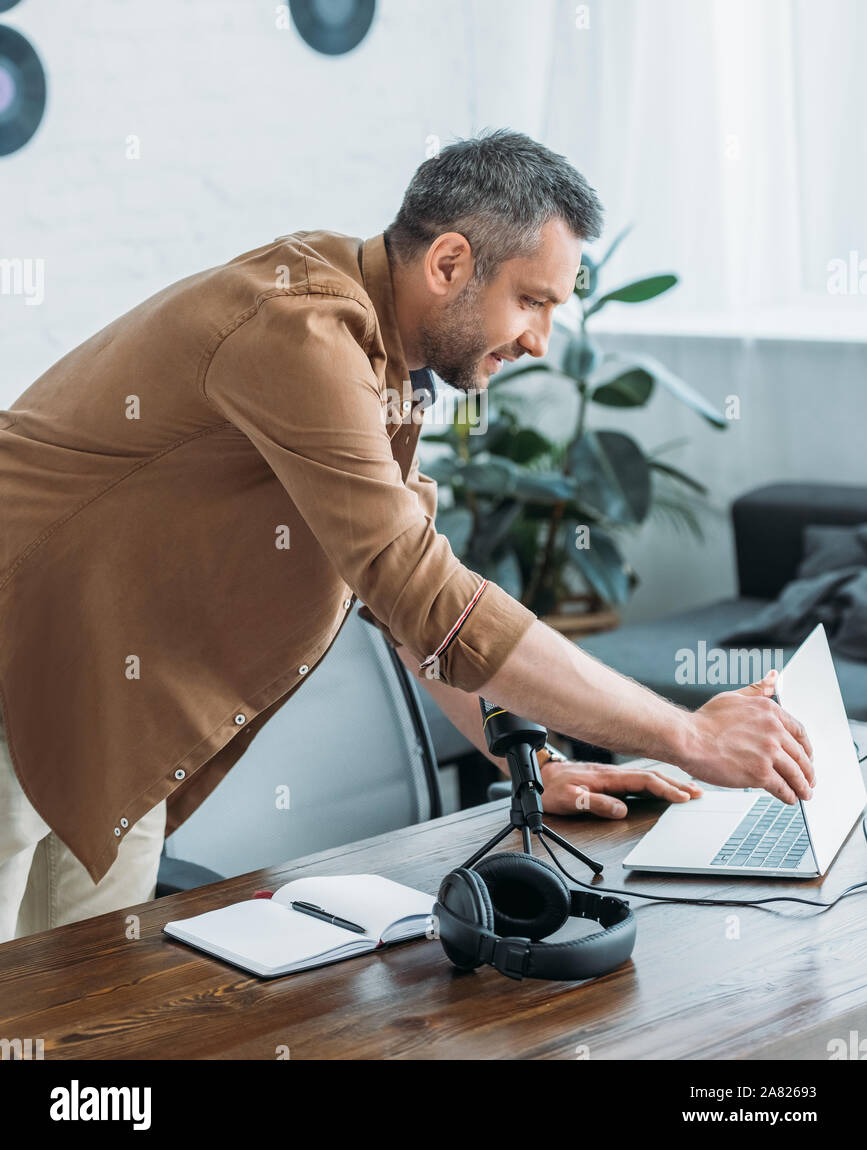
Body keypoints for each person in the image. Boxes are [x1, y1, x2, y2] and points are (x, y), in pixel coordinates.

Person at [0, 129, 813, 942]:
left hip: (108, 709)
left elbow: (409, 609)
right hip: (17, 668)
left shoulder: (378, 364)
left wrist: (531, 765)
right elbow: (429, 598)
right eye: (531, 300)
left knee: (82, 1015)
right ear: (449, 263)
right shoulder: (298, 331)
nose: (538, 340)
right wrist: (685, 732)